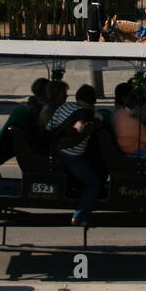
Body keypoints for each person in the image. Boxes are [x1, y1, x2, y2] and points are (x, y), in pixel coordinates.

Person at [48, 85, 103, 226]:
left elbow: (49, 127)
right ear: (93, 101)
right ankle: (79, 216)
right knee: (94, 184)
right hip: (71, 157)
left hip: (56, 150)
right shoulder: (89, 116)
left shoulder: (64, 107)